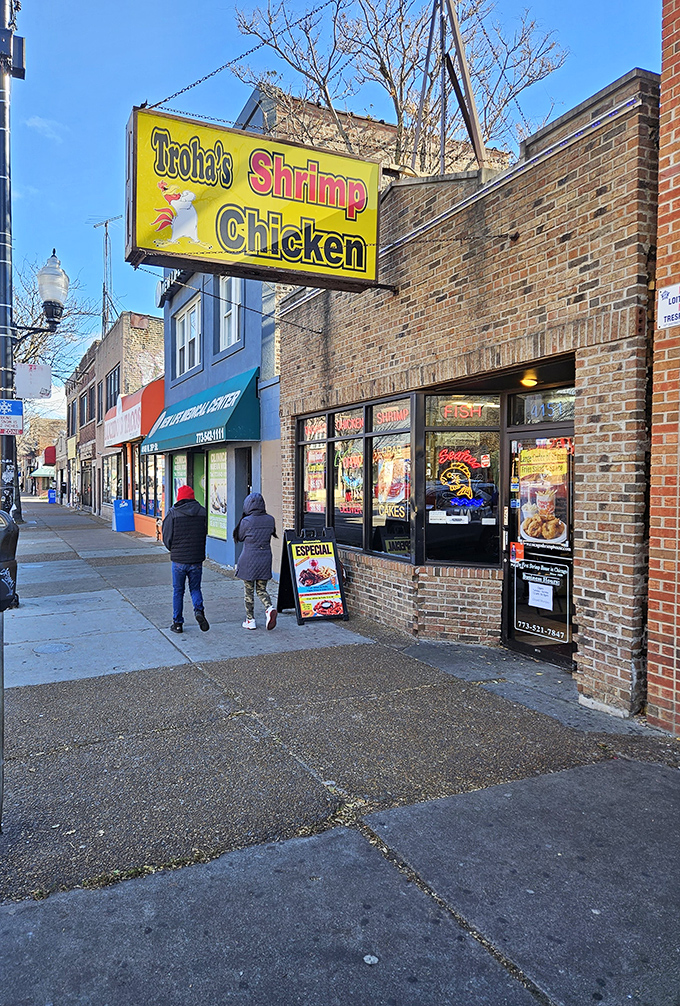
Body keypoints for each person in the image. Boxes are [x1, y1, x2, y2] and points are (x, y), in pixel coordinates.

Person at [162, 484, 210, 634]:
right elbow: (204, 533)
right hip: (196, 560)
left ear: (179, 498)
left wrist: (174, 550)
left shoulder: (173, 514)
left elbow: (166, 537)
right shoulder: (202, 512)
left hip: (179, 561)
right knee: (195, 588)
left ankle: (177, 623)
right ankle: (199, 611)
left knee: (178, 591)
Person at [233, 492, 278, 630]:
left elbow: (239, 537)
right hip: (265, 558)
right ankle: (269, 608)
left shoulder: (246, 521)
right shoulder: (270, 519)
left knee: (248, 592)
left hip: (249, 559)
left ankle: (250, 620)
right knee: (261, 589)